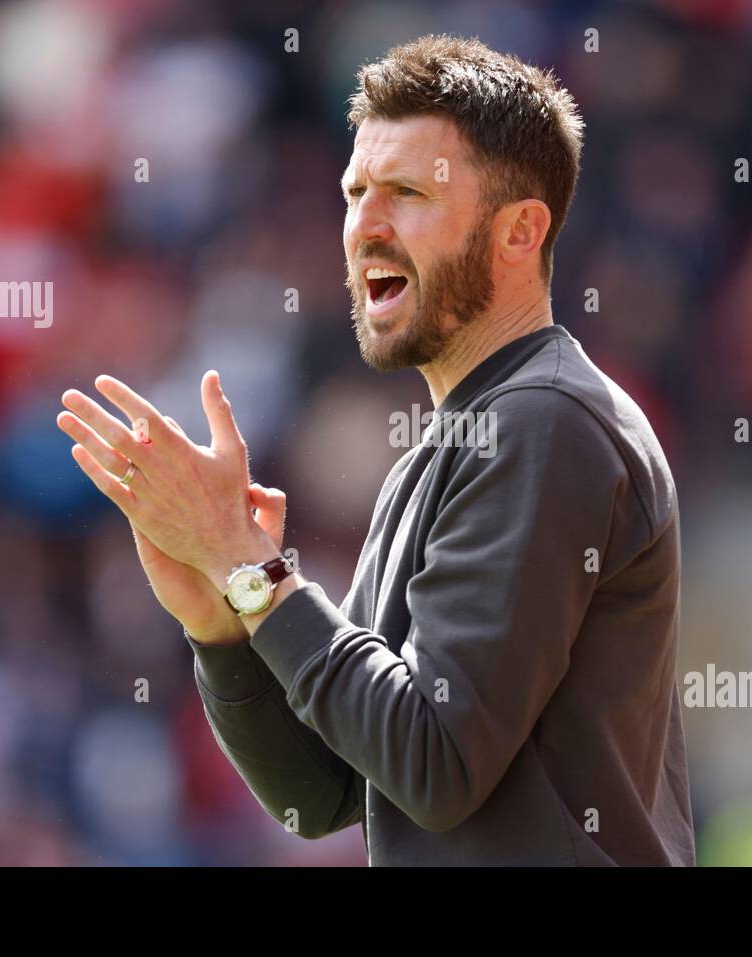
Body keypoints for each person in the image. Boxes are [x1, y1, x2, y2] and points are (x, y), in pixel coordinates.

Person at [56, 34, 694, 866]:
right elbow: (324, 791)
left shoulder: (543, 421)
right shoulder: (445, 452)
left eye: (406, 193)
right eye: (356, 192)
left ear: (519, 231)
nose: (365, 225)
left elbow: (437, 765)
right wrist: (220, 618)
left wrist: (254, 568)